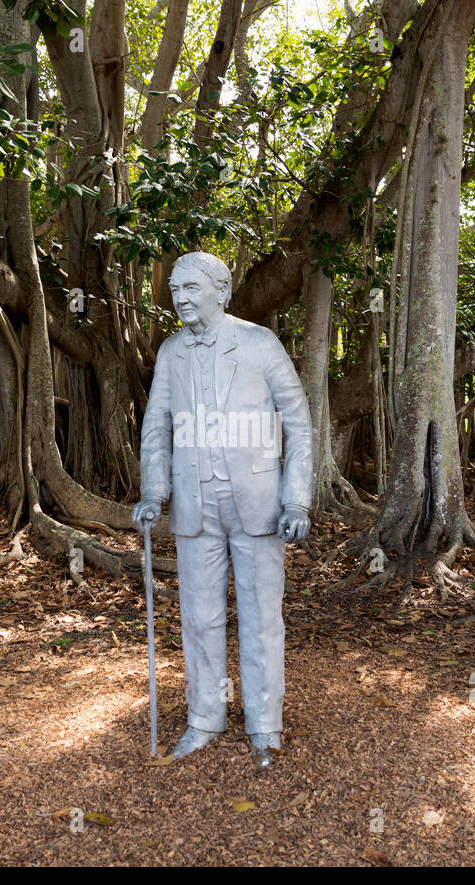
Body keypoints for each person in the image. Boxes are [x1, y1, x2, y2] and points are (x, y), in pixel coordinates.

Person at [132, 251, 313, 767]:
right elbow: (157, 427)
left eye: (191, 289)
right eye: (174, 291)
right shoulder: (170, 353)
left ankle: (264, 724)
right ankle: (204, 718)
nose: (181, 299)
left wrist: (296, 498)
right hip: (194, 503)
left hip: (257, 504)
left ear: (221, 290)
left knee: (260, 618)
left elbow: (298, 424)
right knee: (200, 617)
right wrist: (153, 492)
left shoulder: (259, 343)